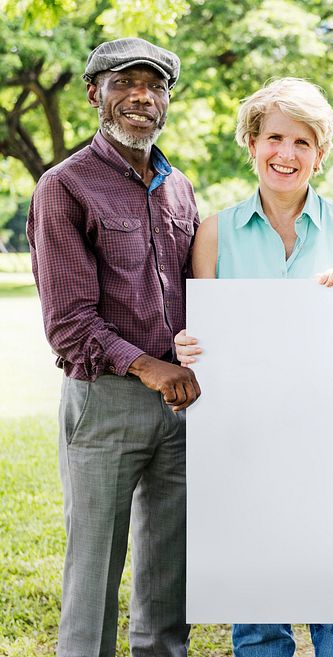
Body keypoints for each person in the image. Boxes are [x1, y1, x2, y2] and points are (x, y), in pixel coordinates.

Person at [175, 78, 333, 657]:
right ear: (251, 143)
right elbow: (204, 339)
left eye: (302, 142)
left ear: (321, 153)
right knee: (260, 618)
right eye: (273, 138)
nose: (286, 154)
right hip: (248, 446)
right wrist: (189, 346)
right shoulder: (214, 233)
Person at [26, 38, 200, 656]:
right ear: (95, 93)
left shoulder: (180, 189)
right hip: (106, 402)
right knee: (94, 566)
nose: (141, 97)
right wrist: (149, 367)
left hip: (180, 407)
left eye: (155, 86)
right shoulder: (64, 186)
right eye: (125, 82)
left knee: (168, 571)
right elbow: (70, 322)